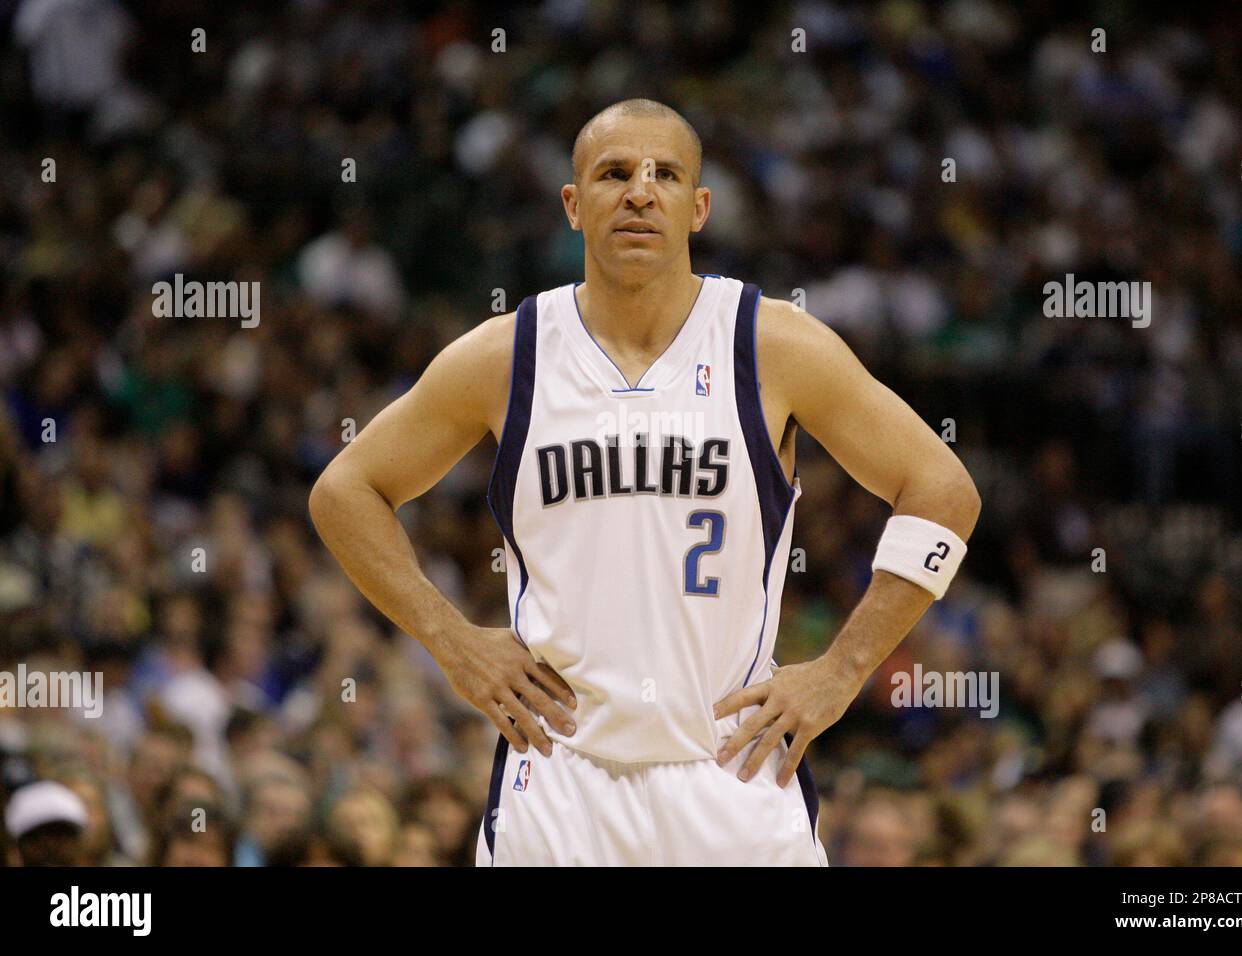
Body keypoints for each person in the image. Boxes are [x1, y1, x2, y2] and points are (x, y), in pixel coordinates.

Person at [309, 98, 981, 866]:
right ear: (573, 204)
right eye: (614, 173)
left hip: (732, 771)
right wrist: (450, 640)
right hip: (560, 776)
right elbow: (343, 492)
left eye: (665, 175)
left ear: (698, 208)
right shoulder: (508, 354)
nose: (639, 192)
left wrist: (843, 669)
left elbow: (943, 490)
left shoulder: (772, 345)